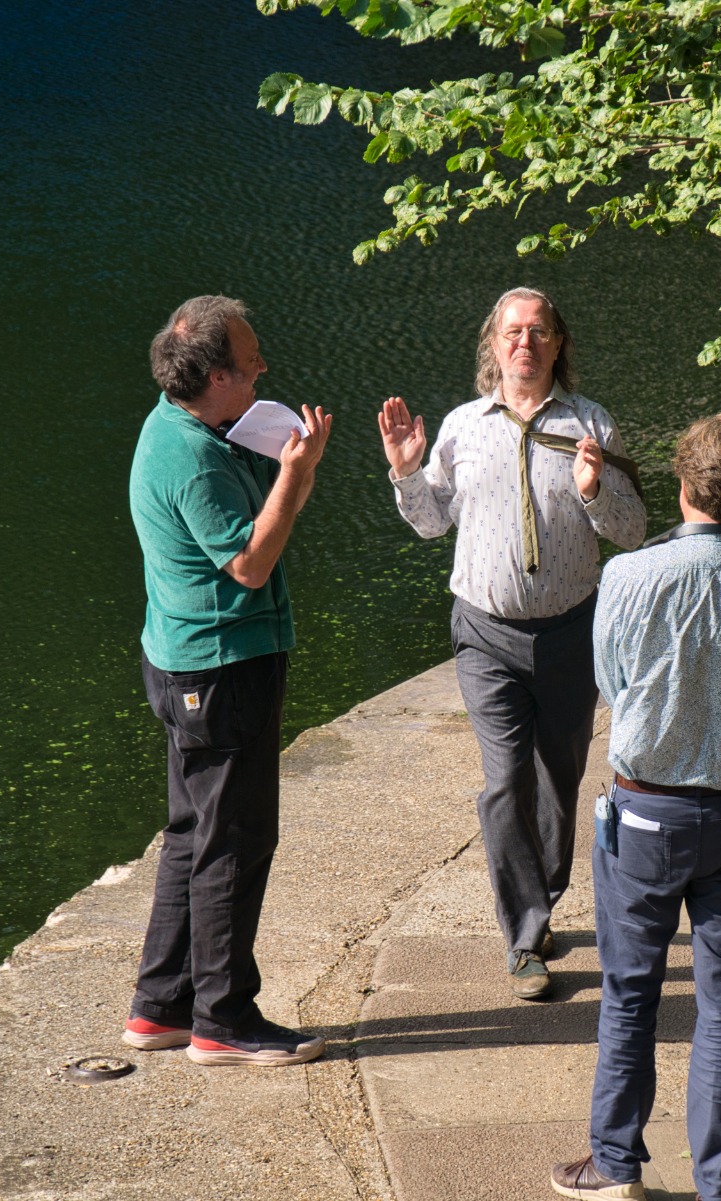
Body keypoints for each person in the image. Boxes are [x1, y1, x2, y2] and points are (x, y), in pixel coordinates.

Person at [551, 414, 721, 1201]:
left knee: (630, 993)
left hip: (647, 813)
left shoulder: (629, 576)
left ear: (683, 483)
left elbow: (613, 685)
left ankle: (615, 1162)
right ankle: (718, 1182)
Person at [378, 287, 646, 1000]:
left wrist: (594, 490)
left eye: (538, 332)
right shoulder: (463, 428)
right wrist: (408, 471)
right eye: (511, 332)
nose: (523, 343)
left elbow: (633, 528)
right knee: (505, 783)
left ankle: (542, 892)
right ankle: (525, 938)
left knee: (558, 785)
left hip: (569, 632)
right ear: (492, 347)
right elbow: (432, 524)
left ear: (559, 344)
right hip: (485, 635)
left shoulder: (592, 424)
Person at [122, 296, 335, 1066]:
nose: (264, 369)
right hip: (218, 671)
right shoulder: (196, 459)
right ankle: (223, 1018)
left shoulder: (186, 426)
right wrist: (294, 475)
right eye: (250, 364)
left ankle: (160, 1005)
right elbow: (250, 563)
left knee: (193, 834)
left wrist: (295, 471)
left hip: (188, 663)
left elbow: (271, 526)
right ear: (215, 376)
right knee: (234, 841)